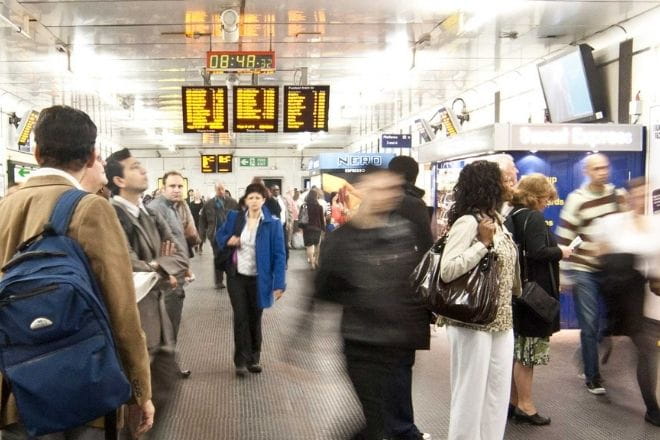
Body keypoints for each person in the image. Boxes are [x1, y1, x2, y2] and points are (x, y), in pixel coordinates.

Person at [0, 105, 154, 439]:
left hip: (15, 383)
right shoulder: (89, 208)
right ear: (90, 156)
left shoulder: (4, 205)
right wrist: (140, 390)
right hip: (80, 382)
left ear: (37, 152)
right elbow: (121, 310)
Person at [315, 170, 431, 440]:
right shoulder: (342, 239)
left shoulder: (403, 232)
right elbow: (324, 290)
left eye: (392, 190)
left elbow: (412, 285)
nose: (388, 195)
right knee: (379, 421)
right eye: (380, 189)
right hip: (363, 345)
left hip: (399, 345)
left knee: (389, 421)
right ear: (363, 190)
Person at [439, 160, 521, 440]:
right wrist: (481, 245)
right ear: (489, 185)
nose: (510, 183)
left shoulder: (498, 220)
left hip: (501, 319)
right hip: (471, 319)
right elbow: (447, 270)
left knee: (497, 394)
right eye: (505, 179)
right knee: (470, 393)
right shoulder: (468, 222)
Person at [592, 178, 660, 426]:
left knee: (645, 347)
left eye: (643, 194)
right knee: (647, 348)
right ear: (628, 197)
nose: (639, 199)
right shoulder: (614, 224)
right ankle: (653, 409)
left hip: (646, 296)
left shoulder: (655, 225)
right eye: (635, 194)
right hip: (623, 294)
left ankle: (606, 338)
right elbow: (600, 254)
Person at [506, 174, 572, 425]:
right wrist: (562, 252)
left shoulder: (512, 215)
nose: (547, 202)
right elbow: (538, 252)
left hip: (519, 293)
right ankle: (526, 405)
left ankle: (513, 402)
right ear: (535, 196)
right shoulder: (532, 217)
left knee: (518, 350)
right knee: (528, 355)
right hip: (535, 296)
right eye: (546, 198)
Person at [556, 153, 625, 394]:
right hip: (583, 269)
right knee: (589, 324)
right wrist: (564, 274)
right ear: (587, 171)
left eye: (605, 167)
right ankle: (592, 376)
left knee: (609, 324)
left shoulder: (617, 196)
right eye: (596, 168)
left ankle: (586, 354)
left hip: (609, 269)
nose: (602, 172)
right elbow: (564, 237)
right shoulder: (578, 200)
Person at [215, 183, 286, 377]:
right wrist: (228, 240)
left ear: (264, 200)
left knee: (255, 318)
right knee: (240, 317)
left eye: (258, 198)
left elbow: (280, 255)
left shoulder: (273, 223)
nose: (254, 201)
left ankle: (254, 358)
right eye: (251, 198)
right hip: (236, 276)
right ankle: (240, 360)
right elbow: (219, 236)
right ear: (245, 200)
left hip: (260, 279)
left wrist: (279, 284)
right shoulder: (234, 218)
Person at [148, 171, 195, 377]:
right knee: (166, 325)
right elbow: (154, 246)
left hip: (177, 274)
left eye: (179, 186)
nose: (176, 190)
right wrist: (168, 273)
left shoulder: (174, 209)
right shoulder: (157, 209)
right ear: (163, 188)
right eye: (172, 186)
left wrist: (185, 267)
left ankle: (167, 368)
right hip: (168, 280)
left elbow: (177, 242)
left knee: (171, 324)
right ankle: (163, 371)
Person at [388, 155, 433, 254]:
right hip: (405, 264)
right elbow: (426, 244)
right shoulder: (415, 204)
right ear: (415, 177)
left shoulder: (377, 197)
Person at [199, 182, 239, 289]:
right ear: (215, 190)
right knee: (218, 257)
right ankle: (218, 281)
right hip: (215, 235)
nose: (220, 191)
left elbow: (240, 218)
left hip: (230, 235)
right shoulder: (208, 204)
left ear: (225, 189)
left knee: (230, 256)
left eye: (222, 189)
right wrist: (202, 235)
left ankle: (232, 279)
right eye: (218, 189)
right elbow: (202, 220)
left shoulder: (233, 202)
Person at [300, 190, 325, 270]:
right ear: (316, 197)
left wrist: (301, 227)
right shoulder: (319, 207)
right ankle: (316, 261)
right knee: (317, 245)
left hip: (307, 228)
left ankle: (312, 264)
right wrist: (323, 229)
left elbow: (300, 217)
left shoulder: (304, 206)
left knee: (309, 246)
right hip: (317, 228)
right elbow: (322, 219)